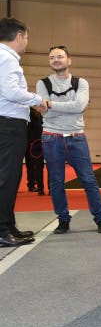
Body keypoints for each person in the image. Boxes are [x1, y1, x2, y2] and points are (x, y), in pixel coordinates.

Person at [38, 46, 101, 234]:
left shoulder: (81, 82)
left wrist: (50, 104)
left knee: (89, 180)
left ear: (69, 60)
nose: (56, 60)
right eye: (52, 57)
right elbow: (49, 112)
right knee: (56, 182)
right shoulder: (42, 83)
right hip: (51, 138)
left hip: (76, 137)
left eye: (60, 56)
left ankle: (100, 219)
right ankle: (63, 220)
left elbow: (79, 106)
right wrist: (68, 107)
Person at [0, 17, 48, 247]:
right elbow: (11, 91)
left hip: (8, 124)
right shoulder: (7, 59)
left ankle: (8, 226)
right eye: (27, 37)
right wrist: (38, 100)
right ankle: (2, 230)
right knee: (7, 178)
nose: (27, 42)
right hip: (8, 125)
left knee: (9, 177)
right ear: (19, 36)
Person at [25, 107, 45, 195]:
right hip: (32, 144)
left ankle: (34, 186)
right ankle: (33, 185)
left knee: (34, 166)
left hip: (34, 143)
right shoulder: (31, 115)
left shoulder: (40, 115)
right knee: (34, 166)